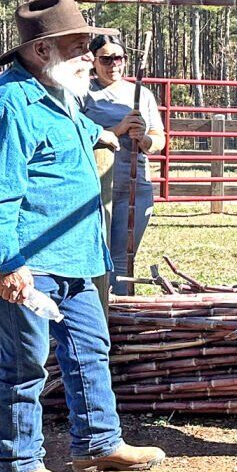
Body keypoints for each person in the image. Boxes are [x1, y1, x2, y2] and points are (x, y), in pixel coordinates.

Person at [0, 0, 166, 472]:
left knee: (89, 350)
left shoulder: (61, 94)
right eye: (78, 47)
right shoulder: (8, 107)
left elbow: (76, 132)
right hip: (30, 260)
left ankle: (98, 442)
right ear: (40, 49)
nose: (88, 55)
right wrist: (6, 264)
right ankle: (18, 462)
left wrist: (106, 133)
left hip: (79, 254)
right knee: (25, 362)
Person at [83, 34, 165, 294]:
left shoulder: (140, 94)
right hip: (96, 186)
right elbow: (74, 134)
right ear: (93, 61)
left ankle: (120, 312)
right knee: (97, 253)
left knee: (124, 255)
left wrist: (144, 139)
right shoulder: (81, 92)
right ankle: (97, 313)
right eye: (105, 59)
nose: (113, 64)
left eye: (118, 58)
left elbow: (159, 138)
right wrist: (117, 130)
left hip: (135, 185)